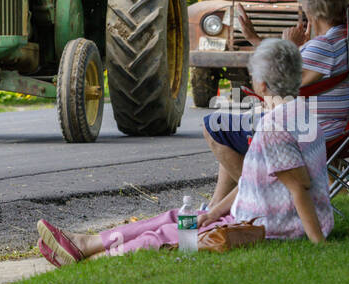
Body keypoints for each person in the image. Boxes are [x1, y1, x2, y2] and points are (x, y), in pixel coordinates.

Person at [33, 38, 331, 266]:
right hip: (267, 216)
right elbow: (257, 184)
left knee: (173, 234)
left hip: (268, 227)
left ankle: (100, 255)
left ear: (261, 84)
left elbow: (299, 187)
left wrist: (317, 243)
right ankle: (86, 244)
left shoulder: (275, 127)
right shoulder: (304, 112)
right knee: (181, 217)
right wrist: (213, 212)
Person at [217, 0, 349, 206]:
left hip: (308, 129)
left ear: (308, 6)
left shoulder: (322, 47)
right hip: (339, 125)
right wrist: (257, 40)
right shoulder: (344, 37)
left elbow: (275, 87)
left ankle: (258, 197)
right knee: (234, 125)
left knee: (216, 127)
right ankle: (219, 205)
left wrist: (289, 46)